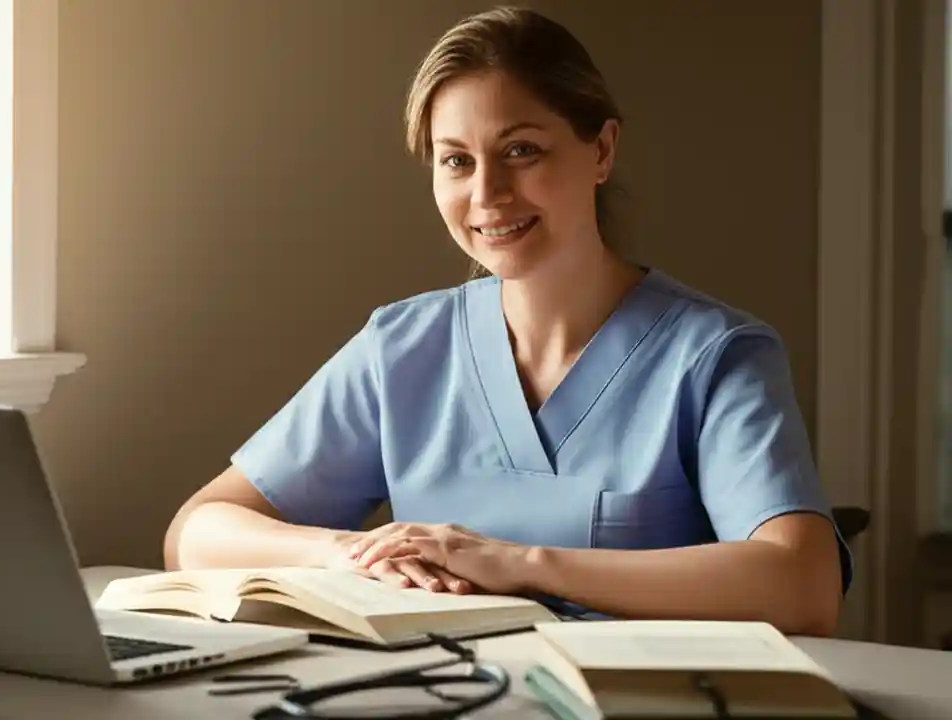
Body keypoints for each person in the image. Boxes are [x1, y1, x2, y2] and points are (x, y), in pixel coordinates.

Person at [163, 6, 849, 636]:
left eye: (521, 150)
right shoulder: (402, 348)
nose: (487, 194)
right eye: (456, 161)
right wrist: (348, 551)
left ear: (602, 150)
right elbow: (196, 533)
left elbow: (804, 585)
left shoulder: (715, 357)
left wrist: (520, 563)